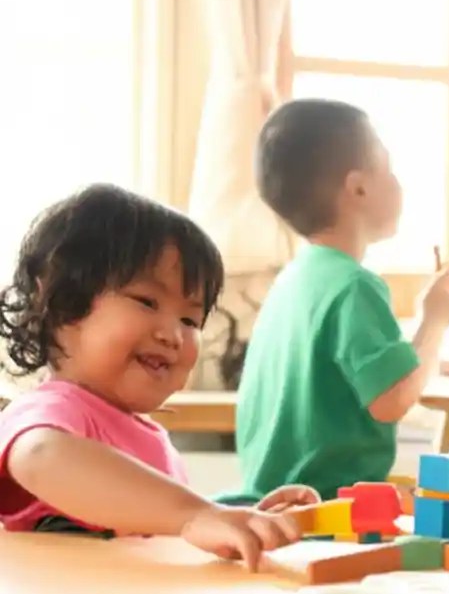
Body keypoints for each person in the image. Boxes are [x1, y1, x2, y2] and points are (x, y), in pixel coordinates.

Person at [0, 184, 313, 570]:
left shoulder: (148, 436)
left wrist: (241, 519)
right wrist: (195, 514)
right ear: (61, 303)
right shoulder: (54, 410)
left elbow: (162, 531)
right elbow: (41, 457)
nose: (173, 334)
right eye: (147, 302)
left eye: (189, 319)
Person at [229, 99, 449, 502]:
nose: (398, 183)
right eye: (388, 169)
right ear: (357, 187)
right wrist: (436, 320)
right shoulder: (354, 285)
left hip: (267, 503)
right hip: (321, 513)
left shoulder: (293, 280)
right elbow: (392, 398)